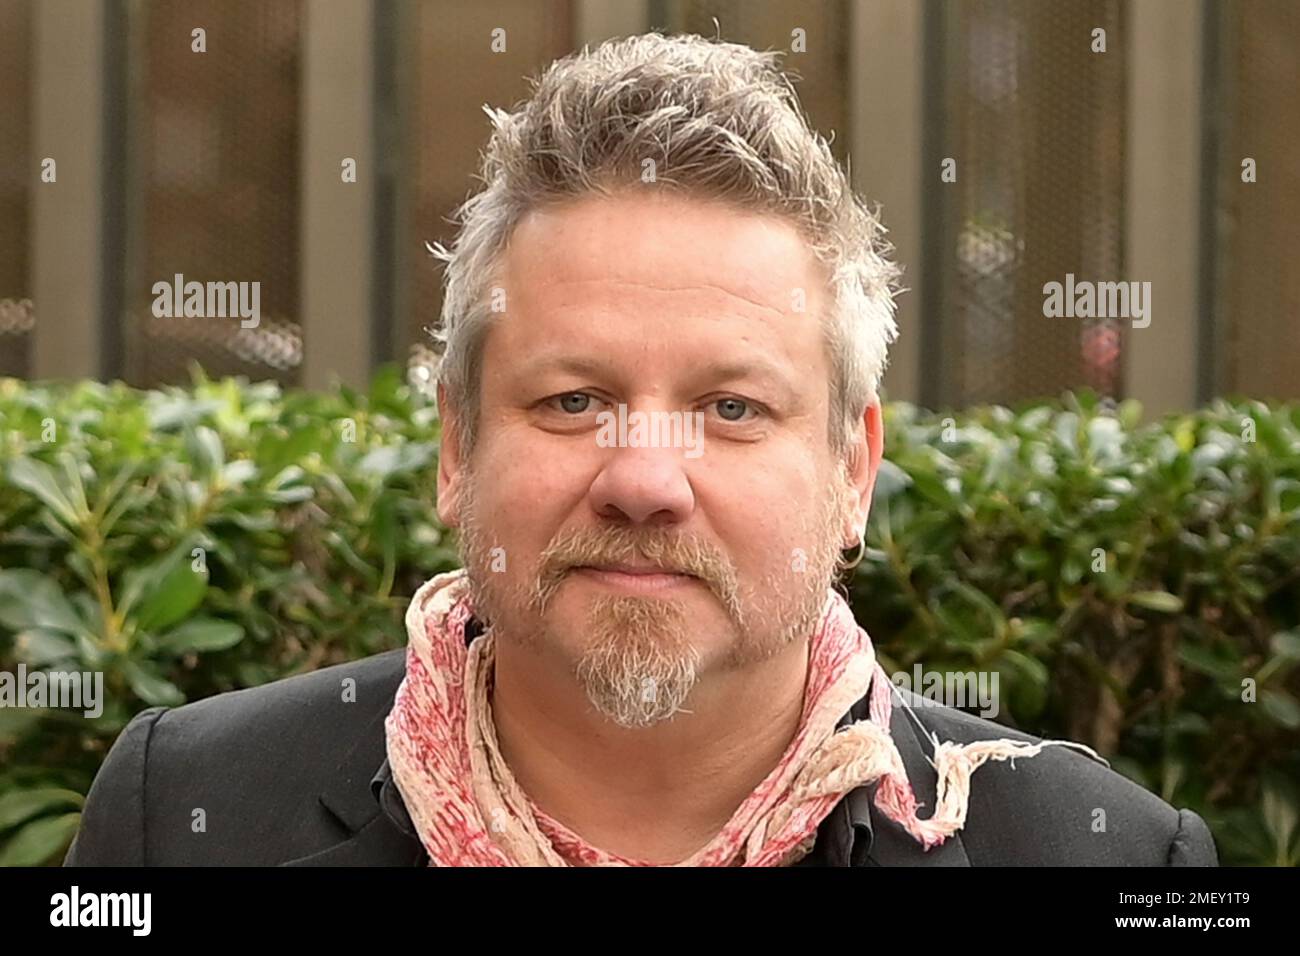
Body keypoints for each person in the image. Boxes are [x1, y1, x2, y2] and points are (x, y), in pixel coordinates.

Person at [65, 32, 1216, 867]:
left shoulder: (1102, 857)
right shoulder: (184, 814)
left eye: (730, 409)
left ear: (851, 470)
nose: (645, 480)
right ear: (457, 446)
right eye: (572, 400)